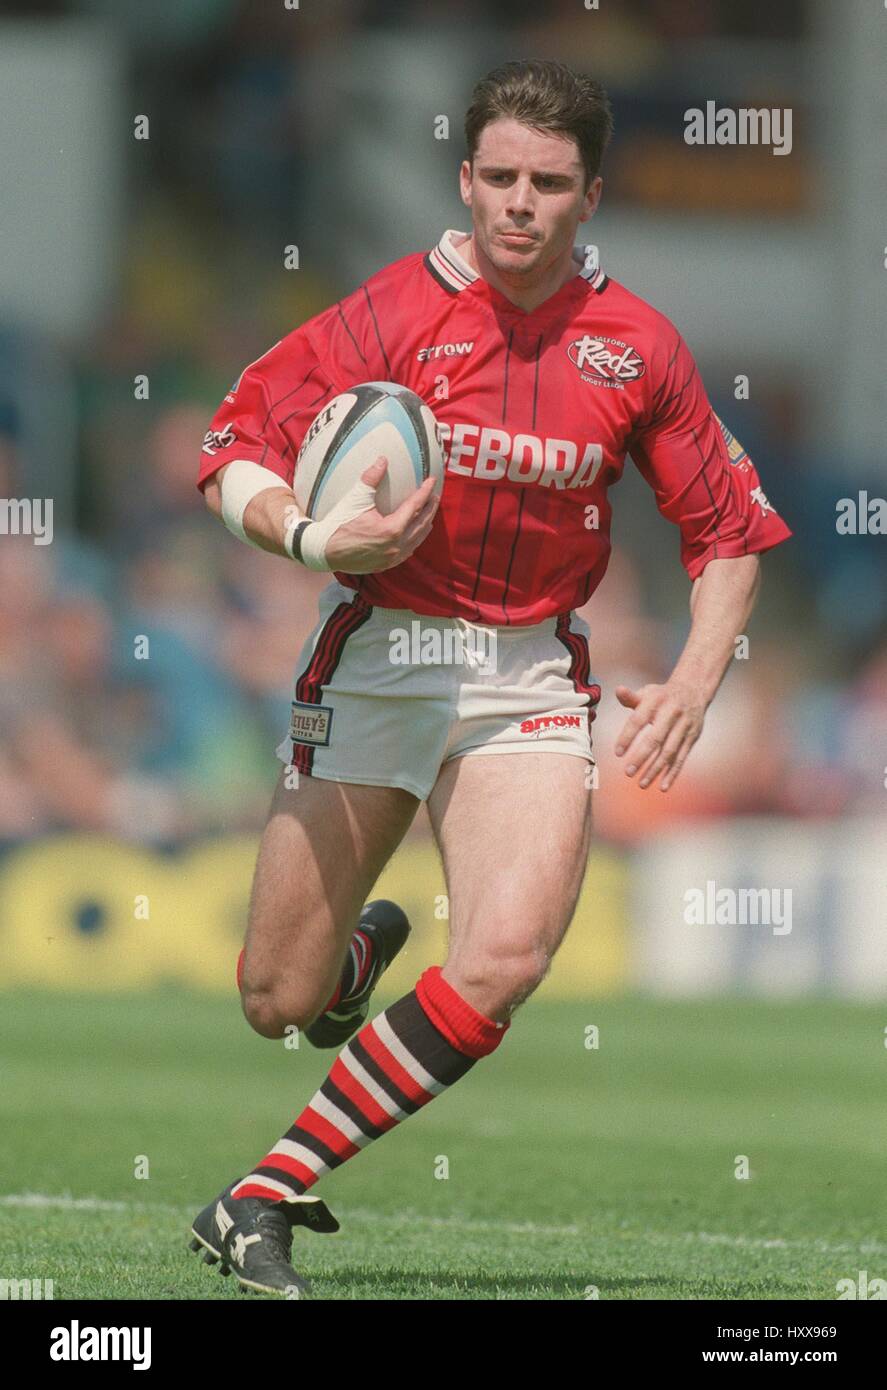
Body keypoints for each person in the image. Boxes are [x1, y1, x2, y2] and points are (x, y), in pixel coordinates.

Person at [189, 59, 792, 1297]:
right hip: (382, 656)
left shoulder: (635, 346)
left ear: (589, 196)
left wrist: (690, 679)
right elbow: (229, 442)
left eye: (548, 184)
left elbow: (727, 530)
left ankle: (258, 1195)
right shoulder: (388, 314)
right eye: (500, 178)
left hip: (527, 672)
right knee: (271, 997)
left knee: (507, 957)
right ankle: (344, 971)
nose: (519, 203)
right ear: (465, 181)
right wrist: (311, 538)